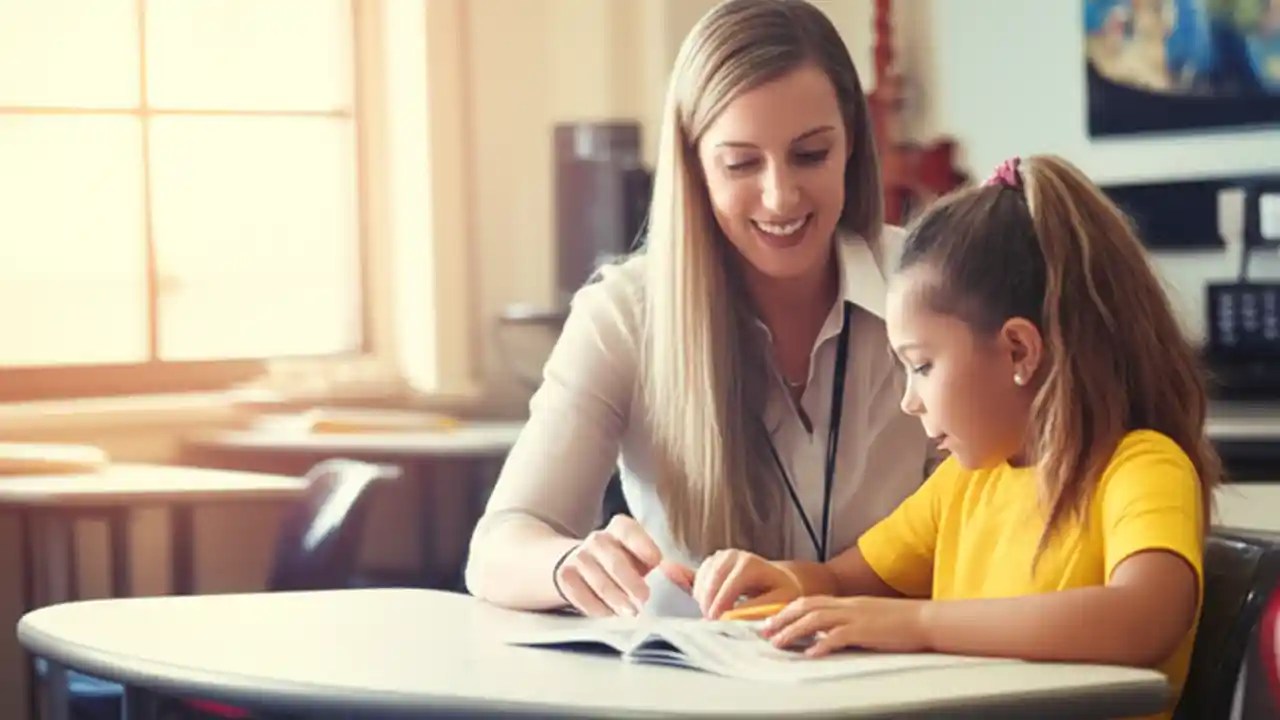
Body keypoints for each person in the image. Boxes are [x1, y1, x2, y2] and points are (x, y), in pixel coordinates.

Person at [695, 154, 1220, 720]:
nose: (909, 399)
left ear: (1018, 350)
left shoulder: (1142, 467)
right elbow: (839, 581)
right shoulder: (963, 487)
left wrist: (919, 623)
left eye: (921, 366)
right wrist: (780, 581)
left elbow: (1142, 618)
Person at [464, 0, 930, 617]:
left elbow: (998, 524)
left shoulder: (928, 286)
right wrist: (565, 564)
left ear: (850, 143)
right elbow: (498, 546)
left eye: (811, 154)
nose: (779, 194)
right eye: (740, 163)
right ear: (695, 166)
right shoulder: (625, 314)